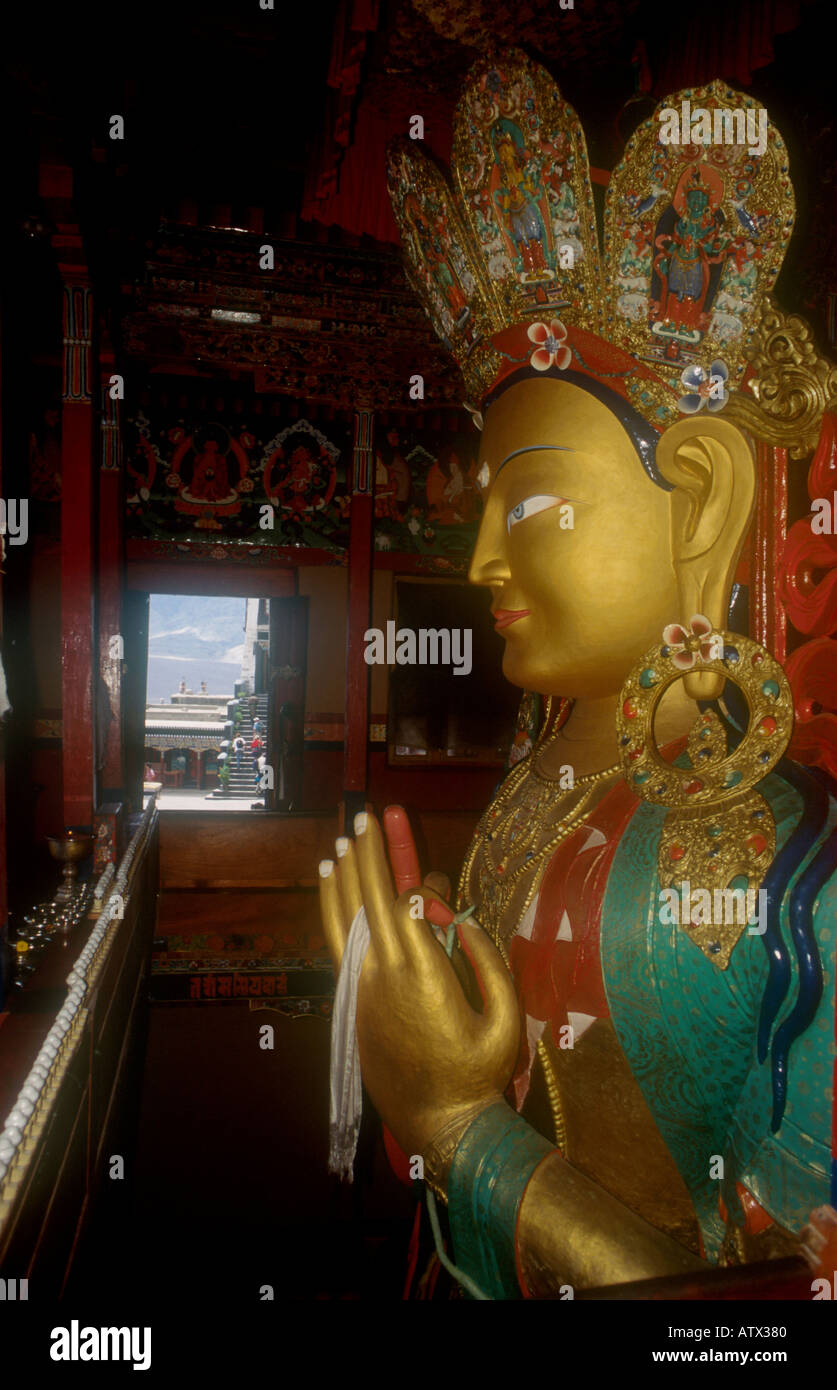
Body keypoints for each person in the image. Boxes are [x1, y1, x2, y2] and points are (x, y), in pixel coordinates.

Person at [320, 52, 836, 1300]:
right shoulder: (545, 780)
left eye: (536, 495)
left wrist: (458, 1123)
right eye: (491, 497)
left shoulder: (790, 873)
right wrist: (431, 1001)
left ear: (700, 500)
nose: (482, 549)